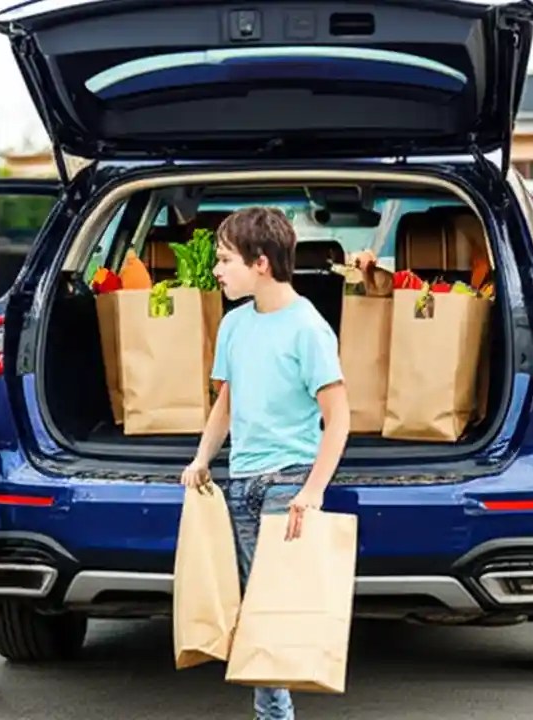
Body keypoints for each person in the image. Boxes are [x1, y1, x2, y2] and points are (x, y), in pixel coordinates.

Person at [180, 206, 351, 720]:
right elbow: (226, 404)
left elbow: (338, 418)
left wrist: (313, 490)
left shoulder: (308, 329)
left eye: (225, 259)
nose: (216, 270)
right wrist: (202, 458)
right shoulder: (234, 325)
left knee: (268, 609)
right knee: (255, 604)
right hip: (242, 482)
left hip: (288, 483)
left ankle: (273, 714)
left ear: (260, 263)